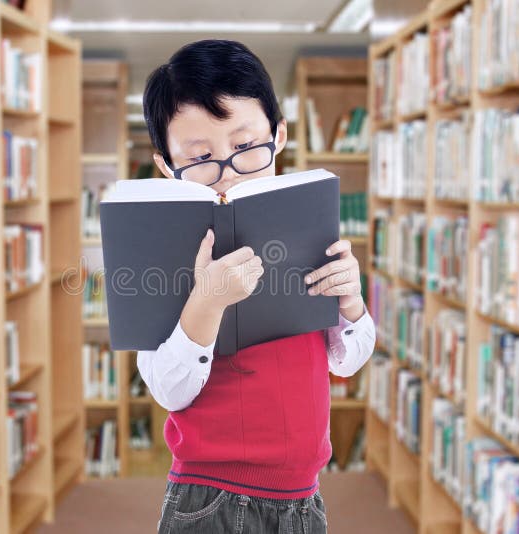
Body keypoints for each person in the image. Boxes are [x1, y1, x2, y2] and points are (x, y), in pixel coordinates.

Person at [137, 39, 376, 534]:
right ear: (165, 165)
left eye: (246, 148)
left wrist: (351, 306)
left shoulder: (307, 225)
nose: (227, 176)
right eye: (200, 158)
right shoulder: (159, 253)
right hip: (208, 498)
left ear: (279, 134)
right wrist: (206, 303)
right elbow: (168, 390)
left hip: (303, 498)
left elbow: (346, 361)